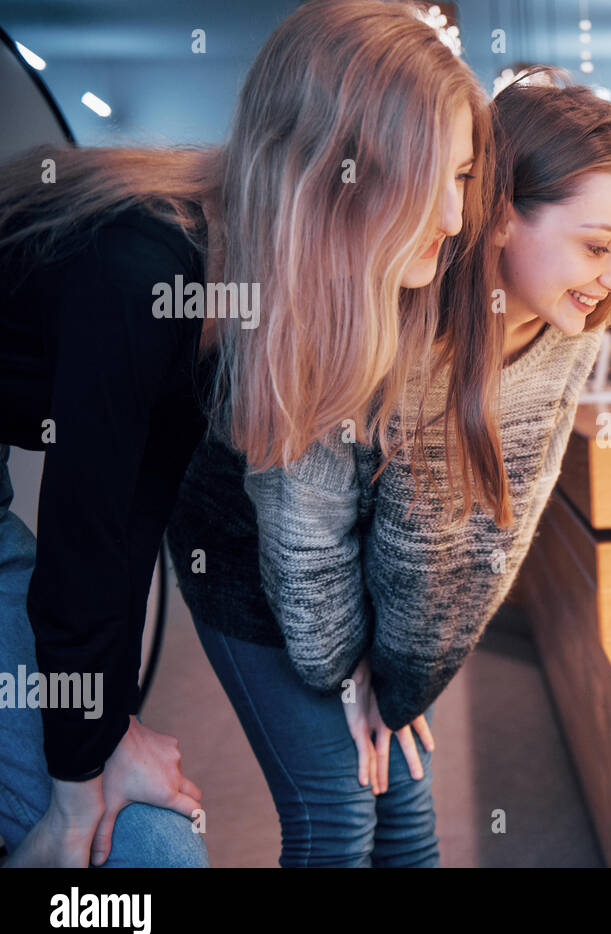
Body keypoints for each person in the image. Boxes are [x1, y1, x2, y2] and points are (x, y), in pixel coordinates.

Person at [0, 0, 488, 867]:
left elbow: (131, 524)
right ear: (345, 169)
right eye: (442, 178)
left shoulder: (230, 285)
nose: (456, 220)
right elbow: (91, 541)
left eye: (465, 180)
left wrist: (104, 730)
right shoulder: (147, 266)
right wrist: (78, 794)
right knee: (144, 851)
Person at [165, 75, 611, 866]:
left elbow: (488, 537)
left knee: (403, 805)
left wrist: (399, 683)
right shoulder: (382, 307)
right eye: (598, 245)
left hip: (352, 576)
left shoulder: (575, 327)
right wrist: (353, 677)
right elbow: (304, 528)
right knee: (339, 811)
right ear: (498, 216)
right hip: (253, 560)